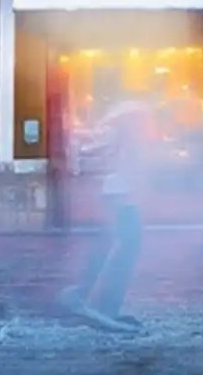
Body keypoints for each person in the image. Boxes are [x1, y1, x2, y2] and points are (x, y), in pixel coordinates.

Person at [59, 98, 152, 329]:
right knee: (124, 244)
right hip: (119, 194)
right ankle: (92, 301)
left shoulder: (128, 138)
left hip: (123, 194)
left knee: (122, 245)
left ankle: (102, 304)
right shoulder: (115, 133)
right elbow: (94, 155)